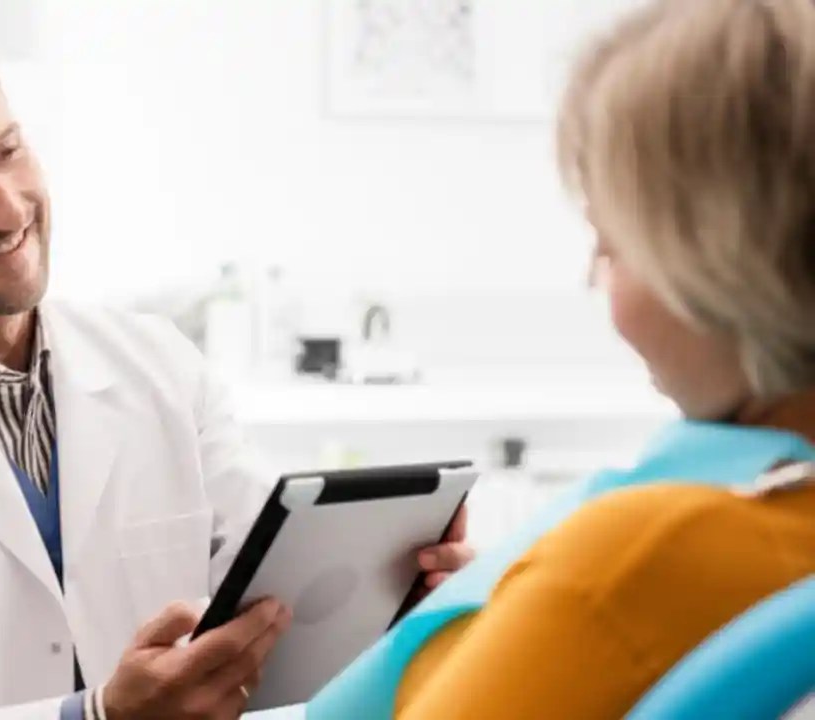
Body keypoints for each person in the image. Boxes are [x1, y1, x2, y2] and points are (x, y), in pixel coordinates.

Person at [0, 10, 472, 719]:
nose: (6, 207)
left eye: (7, 151)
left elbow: (273, 615)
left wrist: (394, 601)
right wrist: (98, 715)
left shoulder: (162, 372)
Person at [308, 0, 815, 717]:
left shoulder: (639, 561)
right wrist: (517, 597)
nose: (592, 279)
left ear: (718, 261)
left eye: (611, 244)